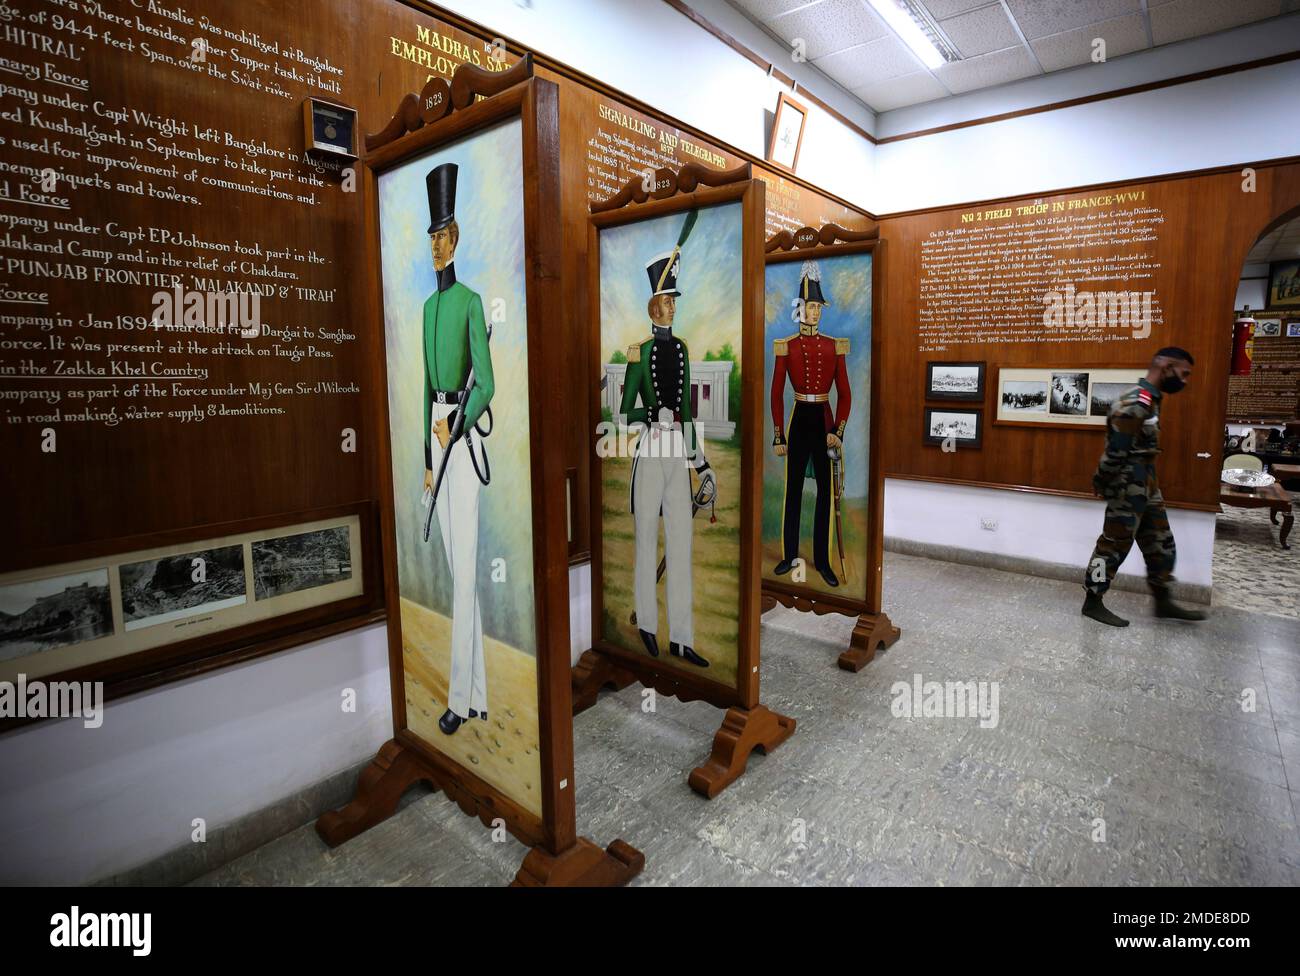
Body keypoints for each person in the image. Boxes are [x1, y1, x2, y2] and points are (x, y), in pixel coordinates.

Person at [420, 162, 495, 733]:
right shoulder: (427, 310)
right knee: (456, 572)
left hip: (463, 441)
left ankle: (458, 701)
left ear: (457, 239)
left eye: (444, 238)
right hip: (436, 439)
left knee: (467, 572)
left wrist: (458, 427)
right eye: (431, 239)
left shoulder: (470, 301)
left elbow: (487, 384)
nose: (437, 247)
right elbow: (426, 386)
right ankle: (478, 694)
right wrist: (427, 459)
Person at [620, 250, 715, 668]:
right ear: (653, 304)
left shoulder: (683, 349)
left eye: (675, 299)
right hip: (650, 450)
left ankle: (681, 637)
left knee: (681, 541)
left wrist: (701, 463)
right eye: (668, 299)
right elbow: (623, 414)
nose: (673, 306)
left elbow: (689, 413)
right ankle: (646, 624)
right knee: (646, 539)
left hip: (677, 449)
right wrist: (650, 413)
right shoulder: (639, 354)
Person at [1082, 347, 1205, 627]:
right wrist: (1101, 482)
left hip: (1147, 483)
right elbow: (1115, 452)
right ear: (1166, 366)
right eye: (1183, 374)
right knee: (1112, 547)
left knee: (1161, 543)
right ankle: (1092, 600)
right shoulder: (1135, 403)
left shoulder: (1151, 400)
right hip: (1126, 485)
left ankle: (1163, 600)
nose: (1184, 381)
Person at [771, 260, 850, 587]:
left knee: (823, 494)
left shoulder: (835, 346)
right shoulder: (786, 346)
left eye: (818, 307)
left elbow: (845, 394)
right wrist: (778, 434)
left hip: (824, 421)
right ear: (799, 309)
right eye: (809, 307)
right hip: (799, 419)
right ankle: (789, 555)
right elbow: (776, 394)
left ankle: (822, 560)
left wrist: (837, 431)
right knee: (793, 491)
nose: (814, 312)